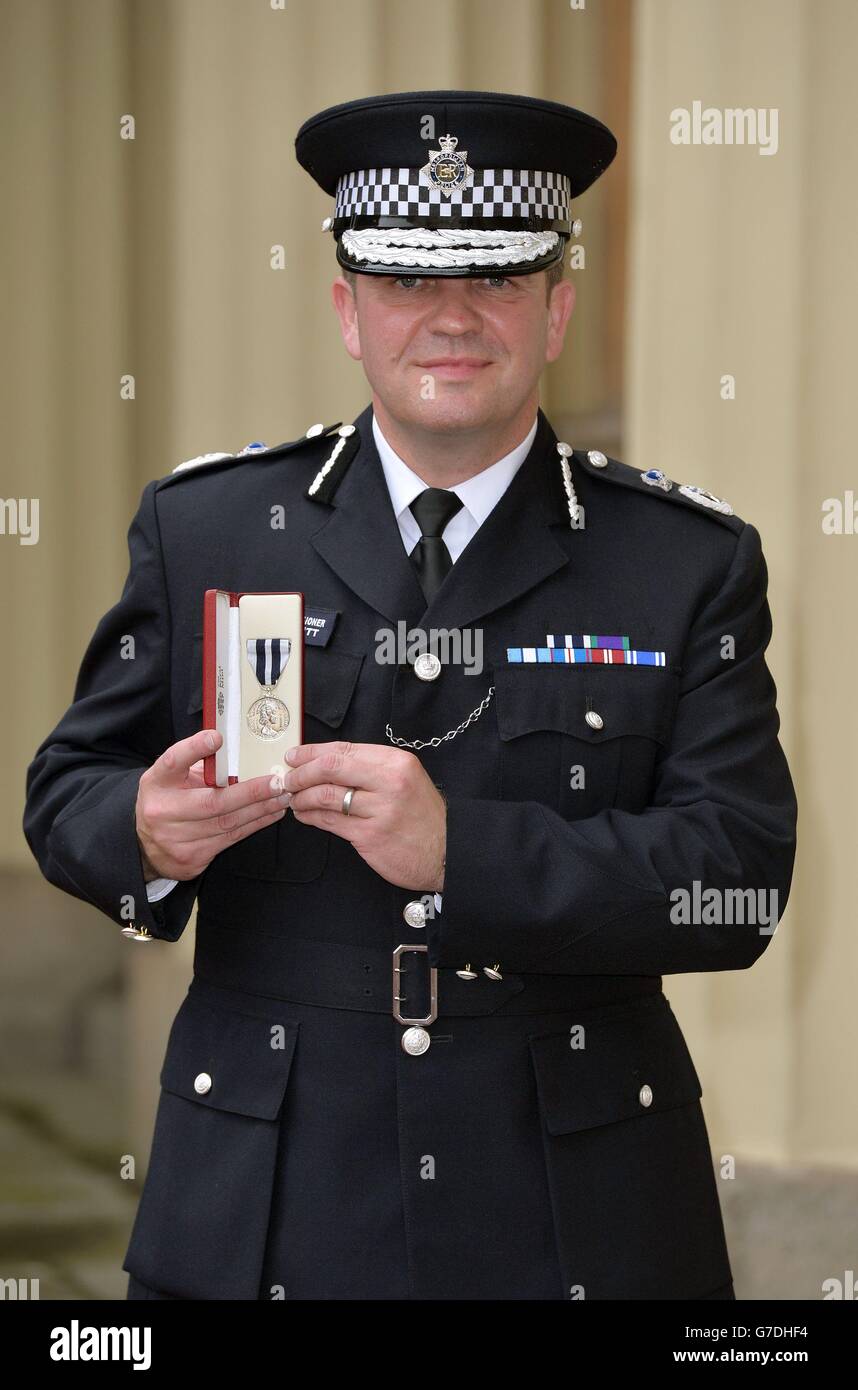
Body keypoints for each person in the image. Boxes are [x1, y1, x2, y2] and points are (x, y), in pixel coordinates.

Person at [23, 89, 797, 1301]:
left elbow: (738, 882)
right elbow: (68, 791)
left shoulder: (684, 561)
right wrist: (145, 834)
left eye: (495, 280)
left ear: (557, 309)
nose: (449, 318)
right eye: (402, 282)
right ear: (347, 309)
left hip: (567, 1206)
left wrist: (463, 851)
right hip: (270, 1194)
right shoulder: (210, 524)